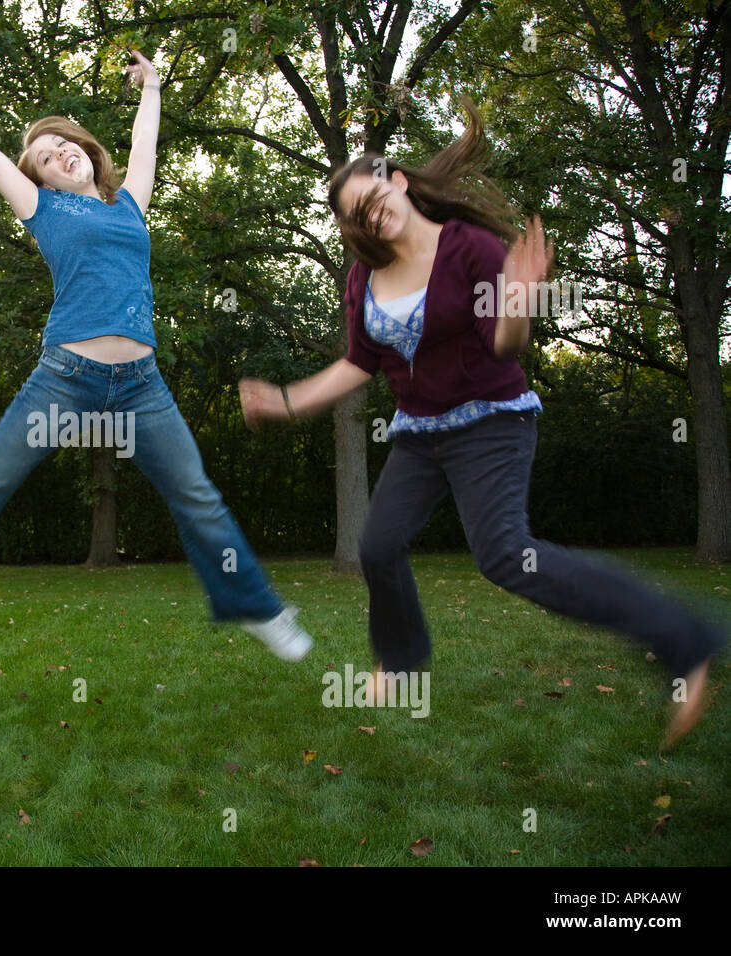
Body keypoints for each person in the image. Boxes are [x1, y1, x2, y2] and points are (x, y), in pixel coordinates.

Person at [238, 101, 723, 747]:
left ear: (398, 181)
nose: (370, 214)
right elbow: (360, 362)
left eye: (373, 196)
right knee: (377, 546)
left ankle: (682, 641)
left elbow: (504, 344)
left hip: (491, 422)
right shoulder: (364, 278)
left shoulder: (468, 247)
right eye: (354, 214)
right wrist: (286, 399)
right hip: (420, 432)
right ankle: (404, 663)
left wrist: (519, 304)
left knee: (506, 557)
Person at [0, 50, 311, 660]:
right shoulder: (42, 208)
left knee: (196, 495)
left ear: (87, 151)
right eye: (45, 158)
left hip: (141, 385)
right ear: (40, 179)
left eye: (65, 145)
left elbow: (145, 146)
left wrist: (153, 86)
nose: (60, 154)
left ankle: (254, 605)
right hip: (65, 380)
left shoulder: (129, 204)